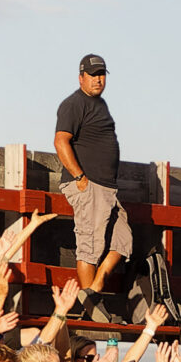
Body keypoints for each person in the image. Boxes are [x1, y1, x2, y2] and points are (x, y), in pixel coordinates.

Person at [54, 54, 133, 296]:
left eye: (101, 74)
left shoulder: (100, 104)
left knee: (123, 238)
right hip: (89, 186)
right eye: (93, 75)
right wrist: (80, 178)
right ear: (81, 78)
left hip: (107, 188)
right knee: (90, 246)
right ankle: (89, 302)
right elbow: (60, 141)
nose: (98, 80)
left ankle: (95, 288)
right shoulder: (73, 104)